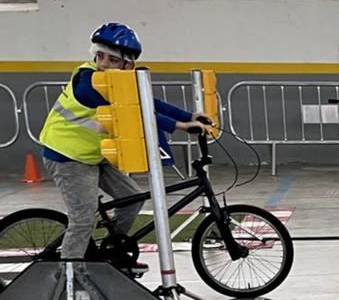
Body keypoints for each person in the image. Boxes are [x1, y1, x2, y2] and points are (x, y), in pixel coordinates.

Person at [40, 22, 212, 272]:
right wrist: (179, 125)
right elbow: (135, 112)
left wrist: (190, 115)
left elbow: (147, 101)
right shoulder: (88, 79)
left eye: (112, 59)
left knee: (131, 198)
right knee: (83, 217)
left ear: (127, 64)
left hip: (93, 154)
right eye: (100, 56)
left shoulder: (122, 80)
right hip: (67, 155)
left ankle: (113, 249)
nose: (104, 63)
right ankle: (71, 275)